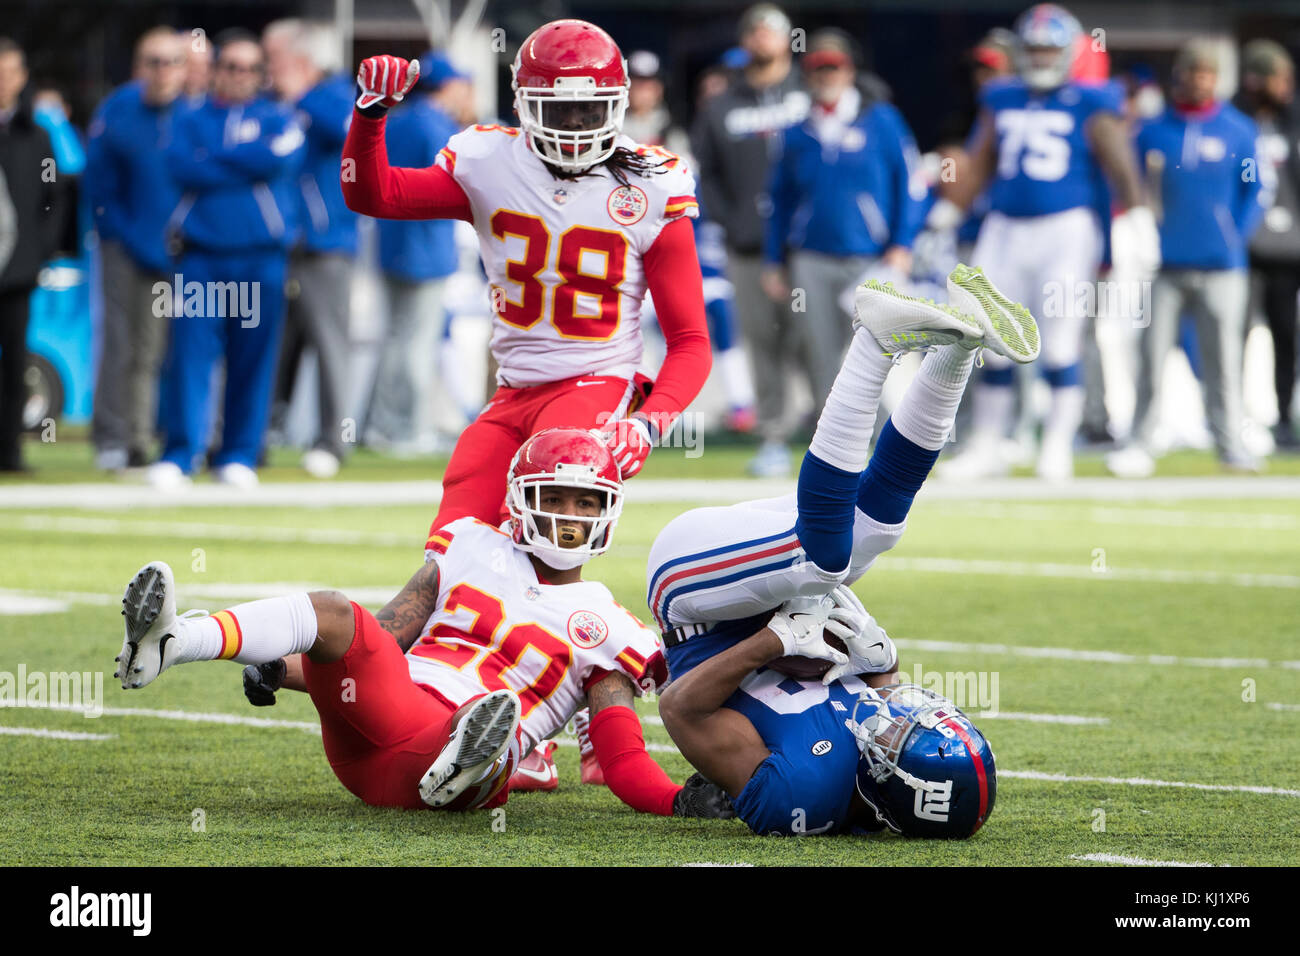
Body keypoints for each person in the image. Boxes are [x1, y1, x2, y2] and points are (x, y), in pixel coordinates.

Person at [114, 427, 733, 820]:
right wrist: (282, 670)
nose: (569, 516)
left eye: (586, 502)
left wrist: (678, 800)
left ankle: (471, 763)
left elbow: (621, 757)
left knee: (490, 715)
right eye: (554, 497)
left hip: (448, 754)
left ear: (607, 512)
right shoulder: (469, 544)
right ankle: (176, 640)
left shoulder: (612, 627)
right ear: (521, 498)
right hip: (379, 717)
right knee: (337, 613)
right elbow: (378, 642)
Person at [649, 264, 1032, 835]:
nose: (905, 718)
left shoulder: (802, 796)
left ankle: (874, 341)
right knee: (872, 535)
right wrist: (886, 668)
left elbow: (679, 709)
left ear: (891, 786)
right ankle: (958, 350)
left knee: (824, 557)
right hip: (767, 579)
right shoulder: (878, 726)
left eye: (907, 736)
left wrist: (769, 643)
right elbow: (860, 675)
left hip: (694, 603)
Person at [340, 20, 711, 534]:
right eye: (560, 109)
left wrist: (650, 424)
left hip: (596, 383)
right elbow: (372, 194)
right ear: (522, 104)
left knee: (534, 536)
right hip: (512, 390)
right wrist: (370, 114)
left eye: (591, 108)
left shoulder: (651, 184)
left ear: (619, 104)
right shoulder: (489, 161)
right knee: (453, 547)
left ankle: (580, 618)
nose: (576, 125)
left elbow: (691, 341)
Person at [939, 3, 1157, 481]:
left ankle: (1056, 445)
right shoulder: (1001, 95)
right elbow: (981, 158)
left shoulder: (1092, 99)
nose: (1040, 57)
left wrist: (1138, 213)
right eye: (1033, 48)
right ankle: (988, 444)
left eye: (1049, 49)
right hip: (1004, 226)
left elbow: (1119, 161)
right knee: (990, 338)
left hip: (1066, 229)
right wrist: (951, 209)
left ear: (1068, 52)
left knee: (1059, 343)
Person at [148, 30, 306, 490]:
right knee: (190, 357)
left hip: (260, 258)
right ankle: (181, 453)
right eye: (231, 66)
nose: (238, 76)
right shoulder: (189, 117)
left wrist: (218, 160)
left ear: (261, 75)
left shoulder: (280, 117)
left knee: (252, 360)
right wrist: (244, 162)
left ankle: (238, 452)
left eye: (248, 68)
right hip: (200, 257)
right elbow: (181, 164)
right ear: (217, 69)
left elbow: (278, 160)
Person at [1106, 40, 1264, 477]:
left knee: (1224, 360)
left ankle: (1232, 444)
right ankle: (1140, 442)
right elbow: (1130, 184)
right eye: (1194, 72)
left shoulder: (1239, 130)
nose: (1200, 81)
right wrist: (1140, 231)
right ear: (1182, 76)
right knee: (1151, 356)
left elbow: (1255, 190)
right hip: (1164, 264)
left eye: (1208, 74)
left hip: (1222, 265)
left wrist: (1234, 235)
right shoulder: (1154, 131)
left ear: (1216, 79)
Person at [761, 28, 926, 413]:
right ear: (808, 74)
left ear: (849, 71)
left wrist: (903, 243)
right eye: (819, 67)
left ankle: (893, 437)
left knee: (882, 352)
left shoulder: (881, 120)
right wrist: (774, 260)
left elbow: (912, 185)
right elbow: (778, 202)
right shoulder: (796, 131)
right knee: (819, 353)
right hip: (812, 258)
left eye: (834, 66)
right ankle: (832, 442)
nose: (827, 75)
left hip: (871, 257)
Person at [691, 4, 810, 477]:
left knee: (823, 340)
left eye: (772, 31)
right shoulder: (723, 104)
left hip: (808, 244)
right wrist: (733, 221)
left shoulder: (809, 90)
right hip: (749, 245)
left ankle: (841, 436)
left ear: (788, 40)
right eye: (755, 31)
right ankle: (774, 435)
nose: (763, 39)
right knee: (762, 343)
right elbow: (708, 174)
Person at [85, 27, 188, 473]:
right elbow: (100, 187)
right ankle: (114, 438)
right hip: (127, 248)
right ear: (138, 66)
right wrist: (130, 238)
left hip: (185, 251)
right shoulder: (119, 110)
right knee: (122, 347)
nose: (162, 71)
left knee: (164, 351)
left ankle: (153, 437)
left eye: (171, 61)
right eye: (154, 61)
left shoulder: (194, 113)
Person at [264, 19, 359, 479]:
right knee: (272, 342)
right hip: (279, 242)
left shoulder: (333, 93)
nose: (267, 68)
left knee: (329, 343)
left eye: (273, 56)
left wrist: (299, 96)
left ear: (298, 60)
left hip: (326, 242)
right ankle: (258, 433)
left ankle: (333, 440)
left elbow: (350, 133)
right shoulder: (273, 103)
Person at [363, 52, 462, 455]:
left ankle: (384, 426)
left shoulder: (399, 119)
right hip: (425, 245)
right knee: (416, 342)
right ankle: (406, 430)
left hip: (394, 242)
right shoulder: (436, 123)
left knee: (396, 339)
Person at [0, 37, 64, 473]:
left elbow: (52, 197)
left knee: (14, 365)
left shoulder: (36, 135)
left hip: (17, 271)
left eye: (9, 73)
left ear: (22, 79)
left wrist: (38, 250)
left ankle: (9, 453)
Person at [1236, 39, 1300, 452]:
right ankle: (1232, 421)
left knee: (1286, 338)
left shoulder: (1293, 122)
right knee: (1231, 338)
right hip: (1241, 249)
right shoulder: (1235, 122)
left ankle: (1282, 418)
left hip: (1289, 249)